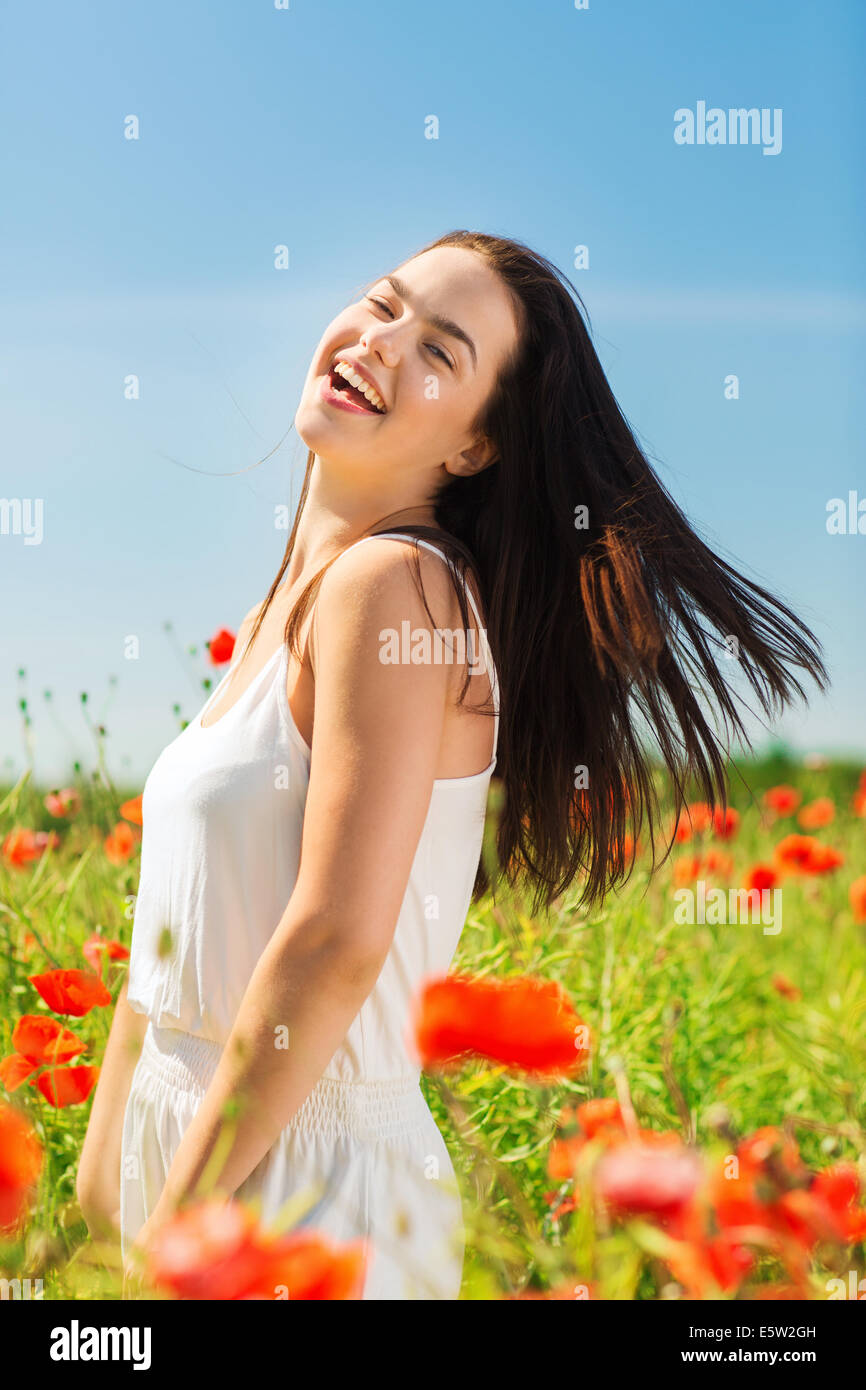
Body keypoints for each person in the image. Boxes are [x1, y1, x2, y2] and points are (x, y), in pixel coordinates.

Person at [76, 230, 826, 1300]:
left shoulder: (394, 586)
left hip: (297, 1181)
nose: (381, 341)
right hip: (202, 1148)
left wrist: (176, 1231)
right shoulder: (289, 605)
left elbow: (336, 941)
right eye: (383, 304)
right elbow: (177, 936)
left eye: (439, 350)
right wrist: (102, 1188)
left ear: (475, 447)